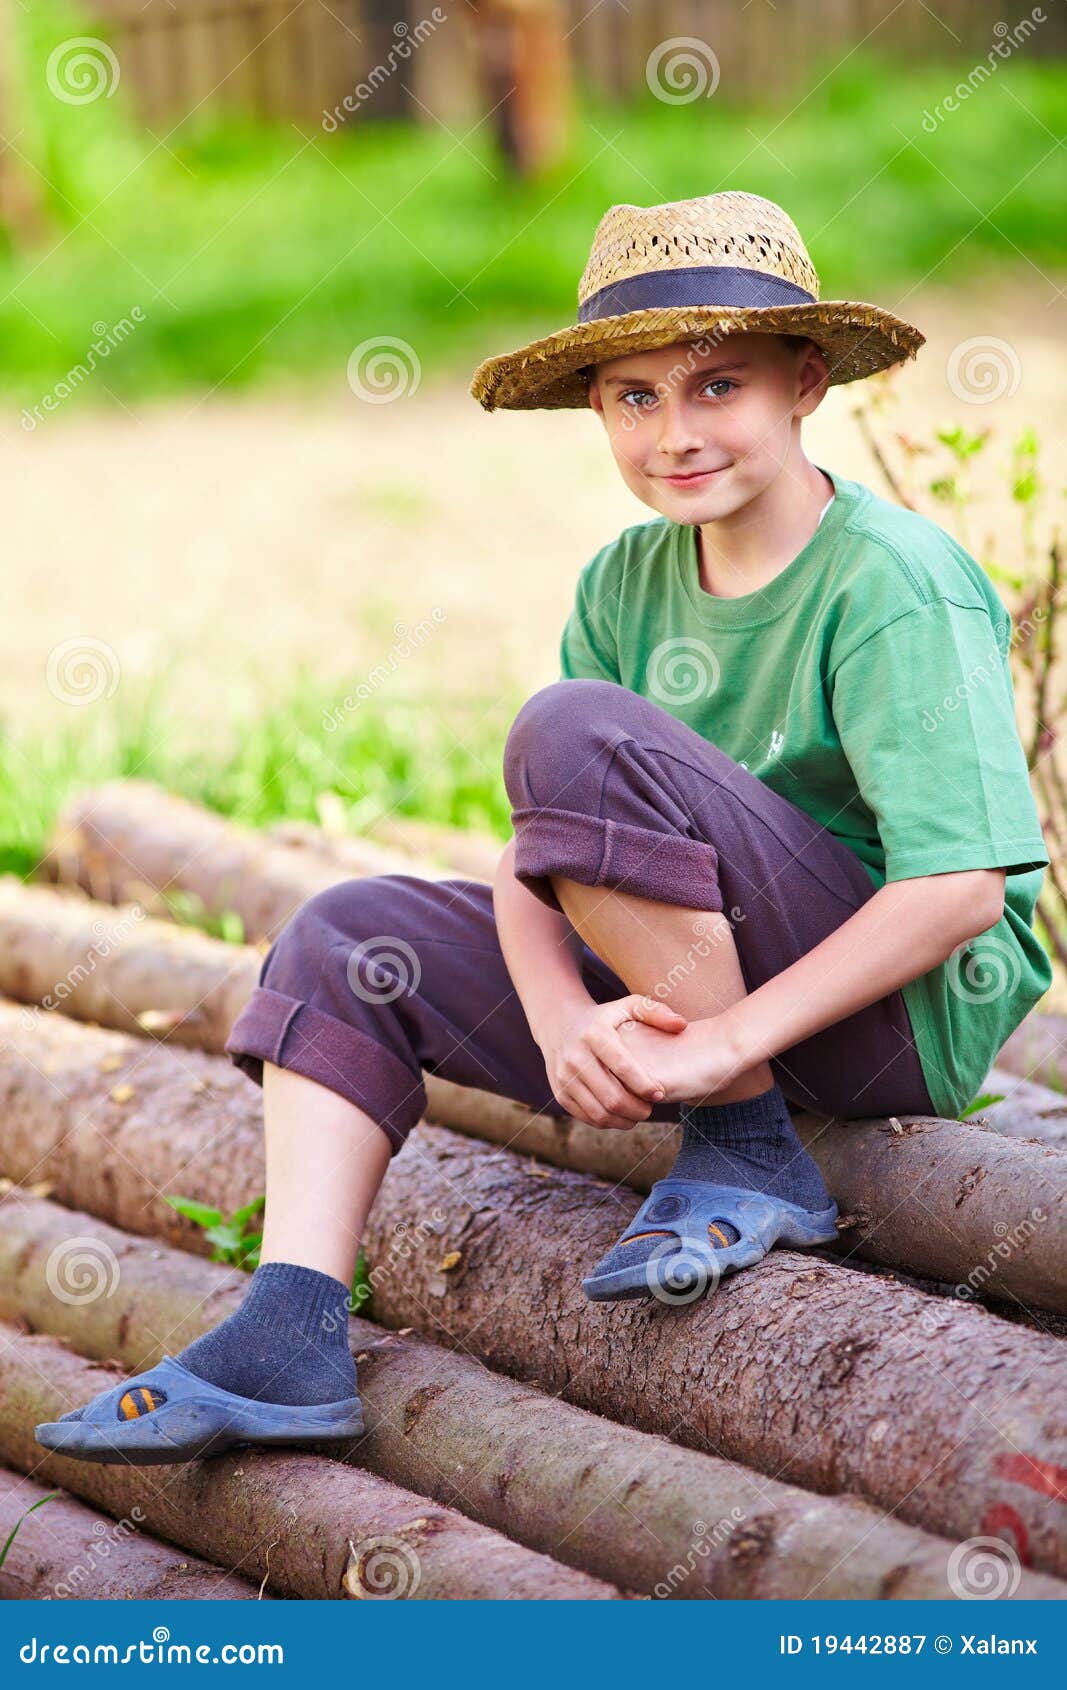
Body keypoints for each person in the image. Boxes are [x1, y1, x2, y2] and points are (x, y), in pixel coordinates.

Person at [36, 190, 1050, 1466]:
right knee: (349, 932)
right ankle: (290, 1328)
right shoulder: (625, 580)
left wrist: (722, 1047)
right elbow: (543, 845)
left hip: (884, 1017)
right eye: (633, 397)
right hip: (702, 1001)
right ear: (595, 411)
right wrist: (565, 1021)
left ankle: (744, 1146)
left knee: (568, 722)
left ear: (803, 383)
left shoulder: (886, 580)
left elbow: (959, 887)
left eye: (715, 386)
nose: (672, 434)